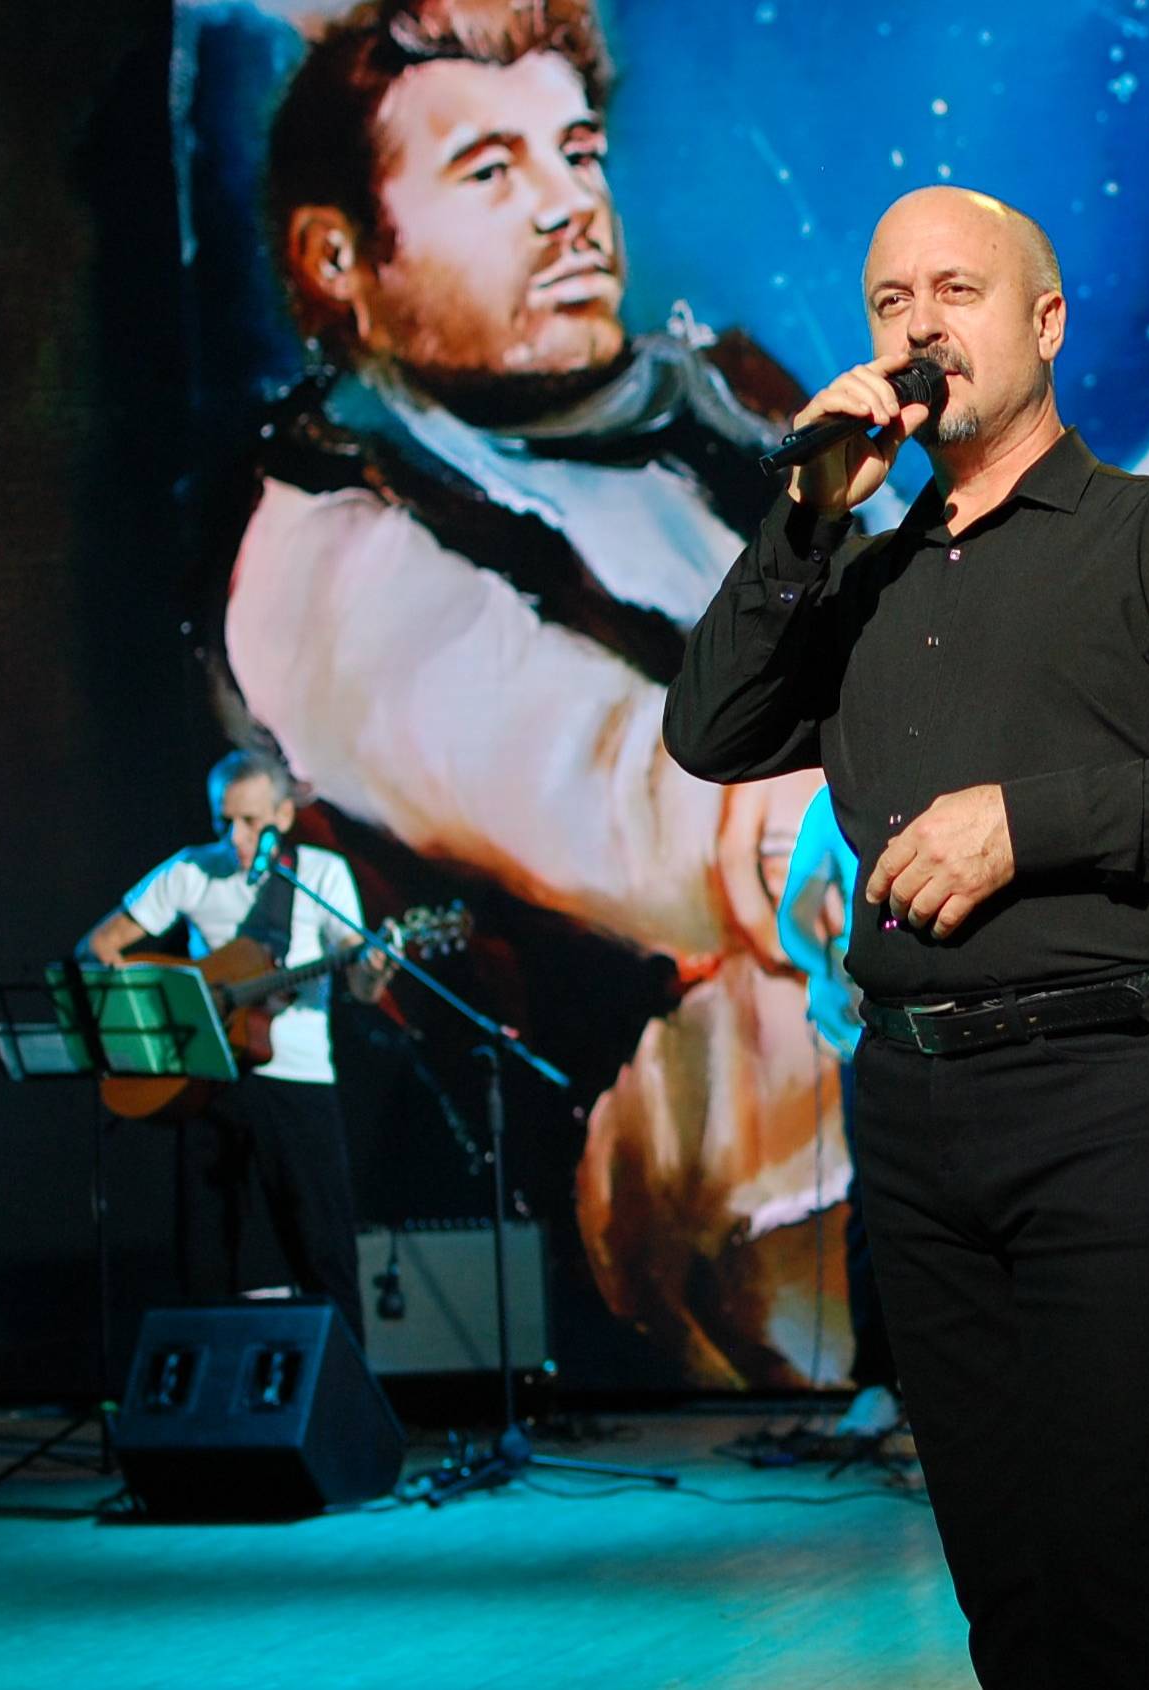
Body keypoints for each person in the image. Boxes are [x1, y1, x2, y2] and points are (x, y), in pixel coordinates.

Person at [666, 185, 1149, 1689]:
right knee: (999, 1569)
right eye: (889, 301)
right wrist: (806, 518)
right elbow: (708, 728)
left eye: (956, 292)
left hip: (1105, 1081)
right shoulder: (859, 577)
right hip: (913, 1103)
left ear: (1044, 323)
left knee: (1102, 1559)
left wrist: (1023, 825)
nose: (918, 327)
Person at [218, 0, 861, 1385]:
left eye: (577, 155)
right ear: (338, 258)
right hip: (679, 1113)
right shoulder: (333, 548)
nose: (571, 208)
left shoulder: (715, 423)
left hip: (887, 1001)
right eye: (491, 171)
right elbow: (628, 803)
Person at [80, 750, 395, 1335]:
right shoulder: (191, 870)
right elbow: (99, 947)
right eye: (223, 821)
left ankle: (342, 1378)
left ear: (284, 815)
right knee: (205, 1255)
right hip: (208, 1080)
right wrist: (151, 1008)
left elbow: (362, 985)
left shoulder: (321, 874)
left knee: (321, 1246)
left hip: (297, 1082)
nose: (236, 838)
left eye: (251, 822)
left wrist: (373, 970)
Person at [773, 786, 897, 1437]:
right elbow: (795, 913)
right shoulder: (834, 802)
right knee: (873, 1199)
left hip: (966, 1017)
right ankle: (878, 1380)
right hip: (873, 1030)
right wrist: (826, 968)